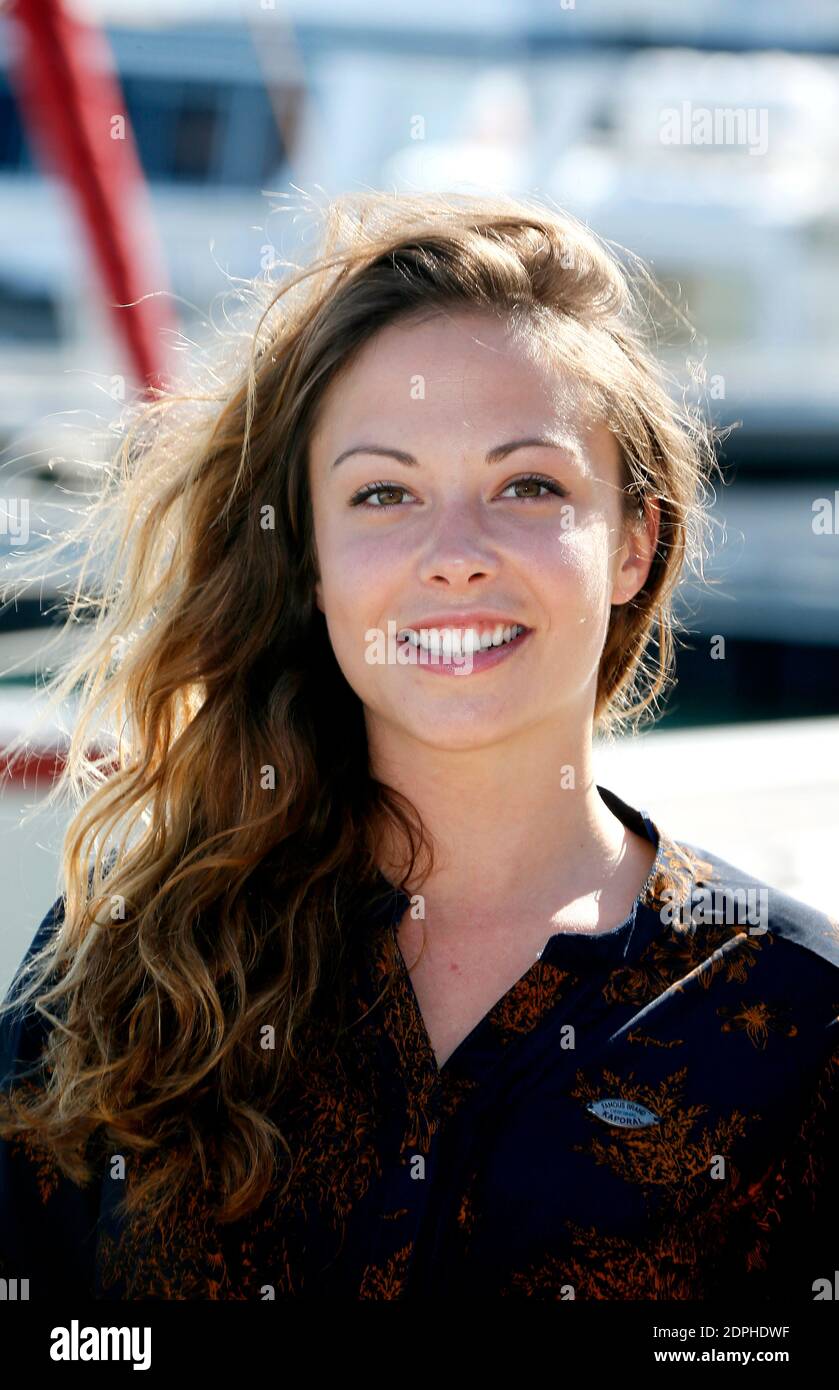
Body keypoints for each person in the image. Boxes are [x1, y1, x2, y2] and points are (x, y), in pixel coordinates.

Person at [0, 191, 836, 1301]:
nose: (453, 554)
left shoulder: (790, 1014)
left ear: (633, 544)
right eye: (383, 492)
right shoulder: (133, 953)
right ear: (306, 557)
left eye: (526, 484)